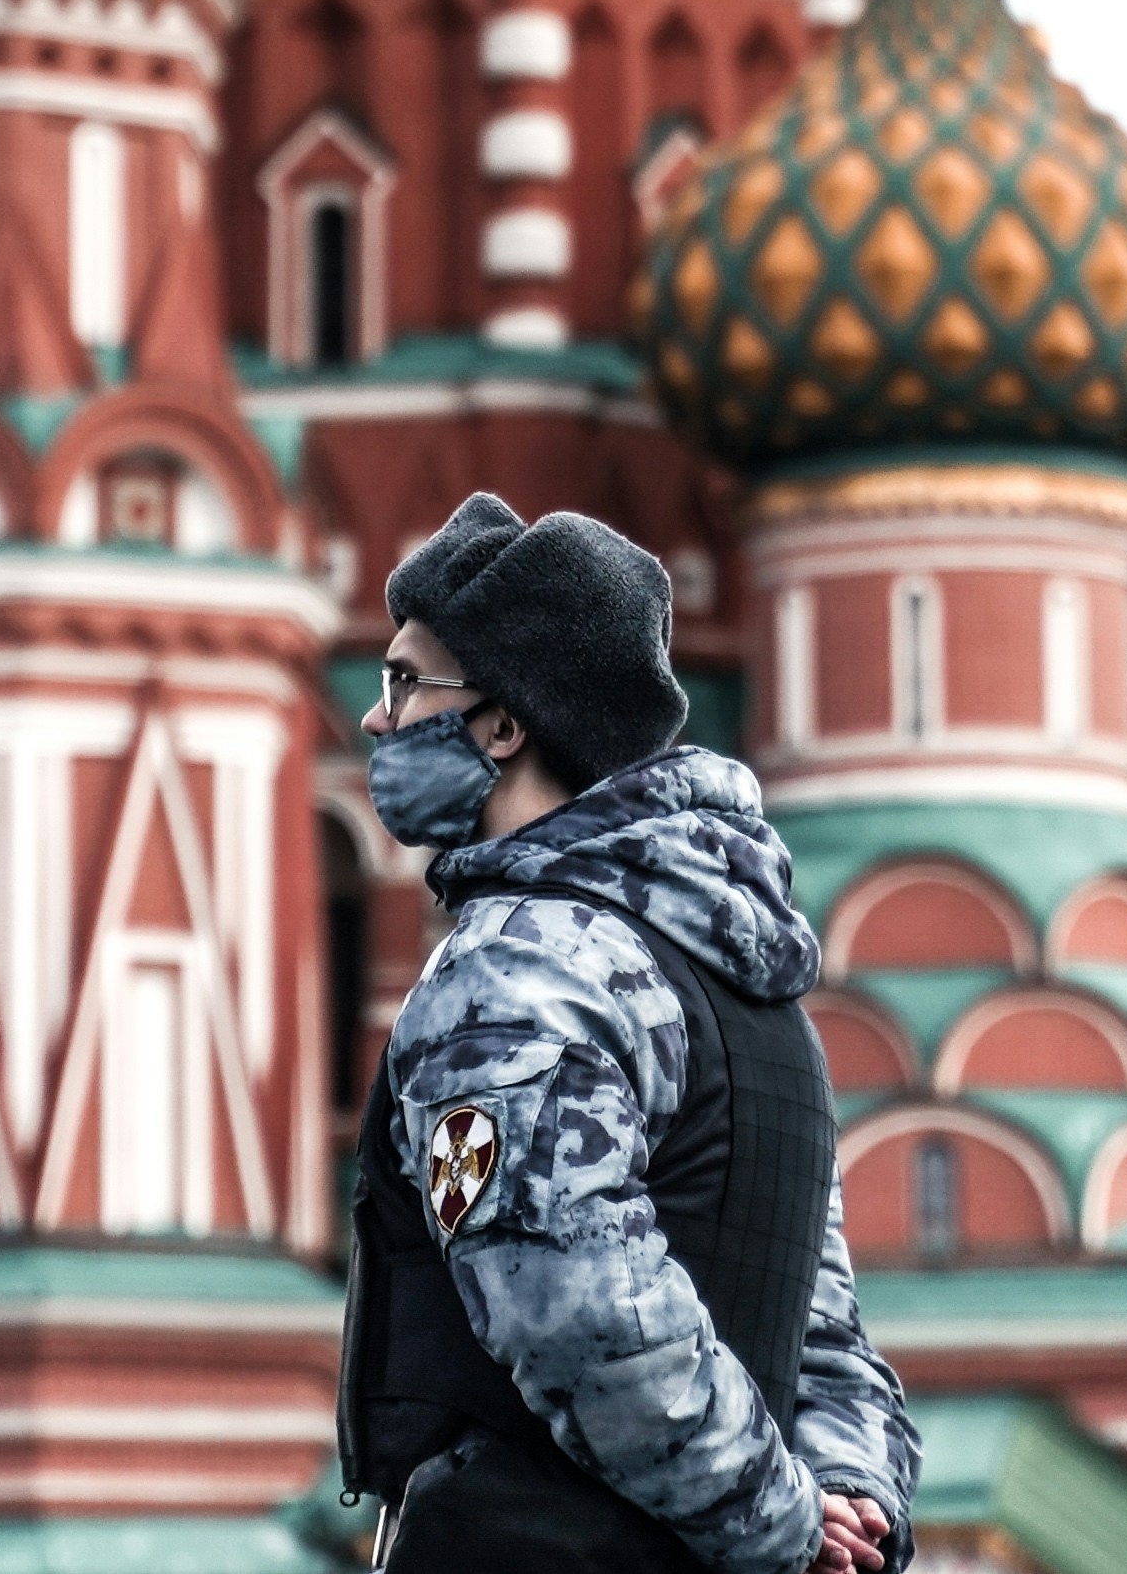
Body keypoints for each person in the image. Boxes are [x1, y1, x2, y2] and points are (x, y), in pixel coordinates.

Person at [337, 491, 919, 1574]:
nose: (380, 719)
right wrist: (844, 1499)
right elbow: (823, 1326)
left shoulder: (522, 968)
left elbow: (575, 1306)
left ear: (504, 723)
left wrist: (783, 1521)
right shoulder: (748, 979)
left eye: (406, 681)